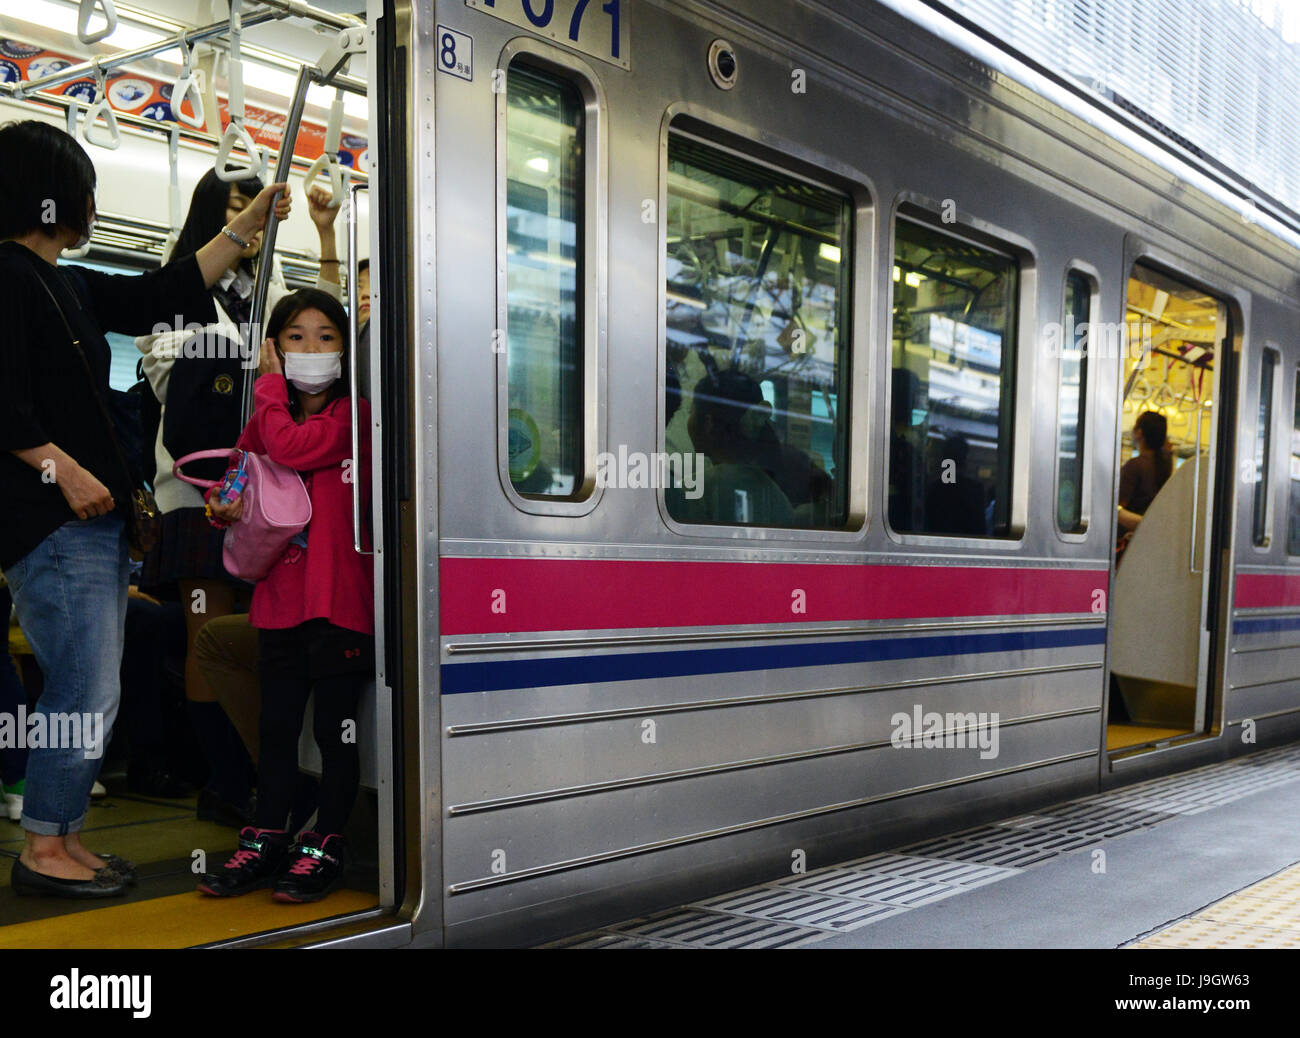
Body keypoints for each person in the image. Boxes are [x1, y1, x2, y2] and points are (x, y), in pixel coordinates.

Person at [0, 119, 294, 899]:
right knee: (83, 686)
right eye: (87, 188)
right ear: (54, 195)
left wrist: (243, 228)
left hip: (91, 522)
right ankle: (42, 846)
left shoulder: (64, 280)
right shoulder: (5, 277)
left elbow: (160, 293)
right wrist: (61, 470)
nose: (94, 202)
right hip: (56, 520)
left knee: (92, 683)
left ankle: (60, 832)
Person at [134, 172, 342, 827]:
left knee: (264, 636)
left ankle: (263, 773)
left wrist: (323, 232)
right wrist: (243, 363)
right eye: (236, 208)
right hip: (201, 490)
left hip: (271, 484)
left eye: (258, 211)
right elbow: (166, 374)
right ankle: (226, 778)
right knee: (209, 632)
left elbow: (322, 333)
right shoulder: (184, 279)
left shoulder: (269, 290)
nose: (252, 223)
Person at [200, 288, 372, 903]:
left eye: (327, 337)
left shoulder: (356, 416)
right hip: (278, 601)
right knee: (276, 728)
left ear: (346, 351)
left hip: (341, 603)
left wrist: (267, 389)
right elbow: (236, 477)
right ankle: (266, 835)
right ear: (275, 345)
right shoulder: (268, 418)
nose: (311, 349)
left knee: (335, 731)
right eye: (295, 336)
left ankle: (325, 843)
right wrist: (220, 505)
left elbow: (295, 449)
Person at [1117, 410, 1173, 545]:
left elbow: (1118, 508)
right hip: (1153, 540)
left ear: (1139, 433)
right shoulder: (1166, 465)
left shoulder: (1134, 466)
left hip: (1130, 540)